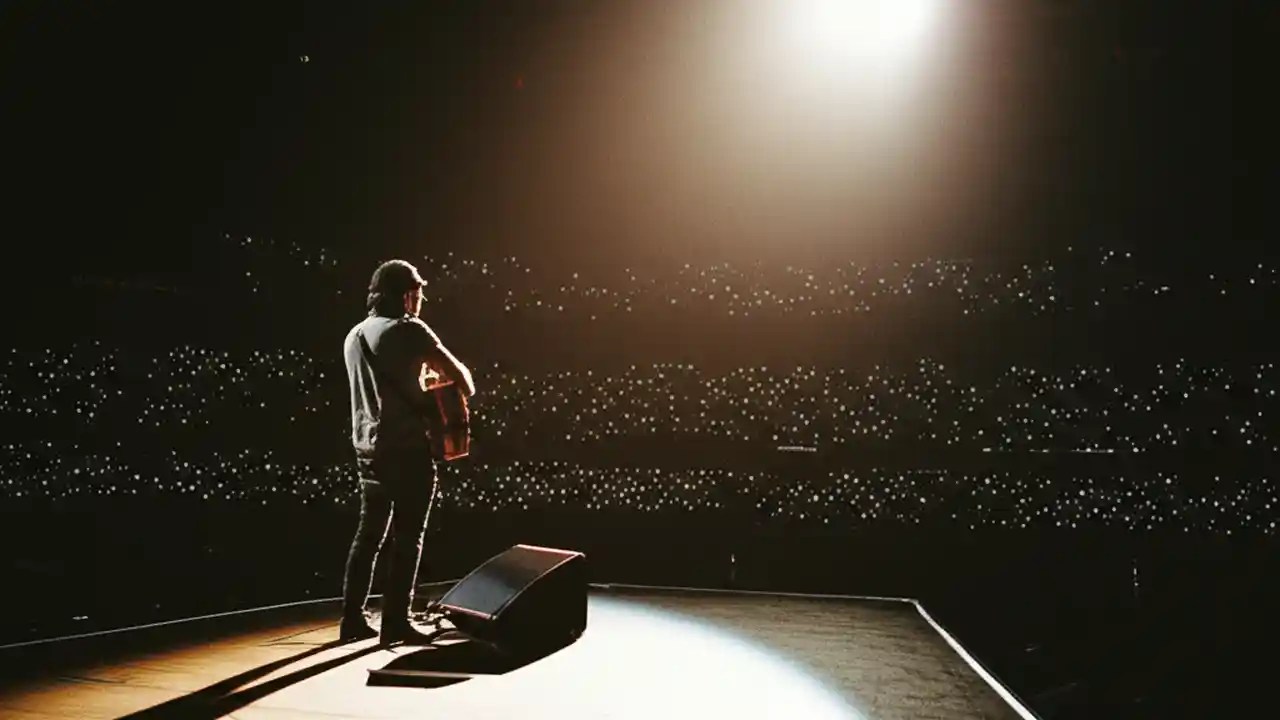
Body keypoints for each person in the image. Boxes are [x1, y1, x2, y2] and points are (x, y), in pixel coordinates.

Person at [339, 259, 476, 643]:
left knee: (368, 536)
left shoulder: (354, 336)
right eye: (417, 293)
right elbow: (464, 382)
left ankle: (351, 620)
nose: (420, 300)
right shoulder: (409, 330)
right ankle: (395, 623)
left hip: (366, 449)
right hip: (406, 450)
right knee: (408, 537)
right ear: (404, 295)